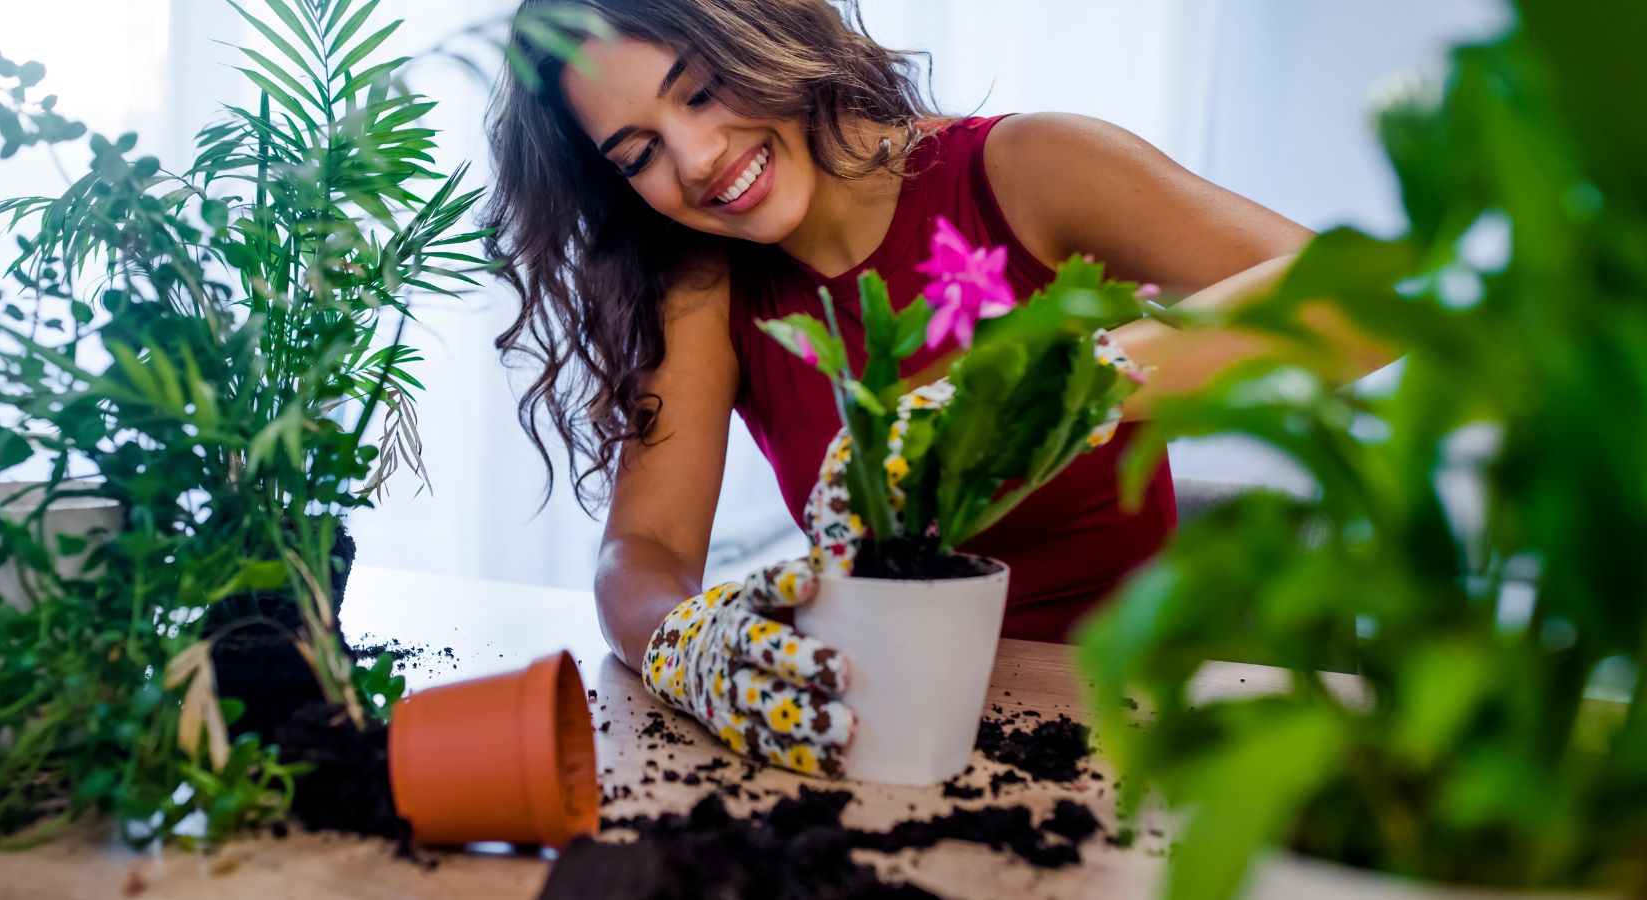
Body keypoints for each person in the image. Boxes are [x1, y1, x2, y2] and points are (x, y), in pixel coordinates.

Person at [483, 0, 1391, 776]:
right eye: (637, 154)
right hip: (902, 735)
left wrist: (1057, 388)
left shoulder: (1027, 170)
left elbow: (1363, 303)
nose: (696, 159)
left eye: (700, 89)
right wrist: (685, 644)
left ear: (762, 28)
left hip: (1139, 726)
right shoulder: (707, 286)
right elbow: (638, 549)